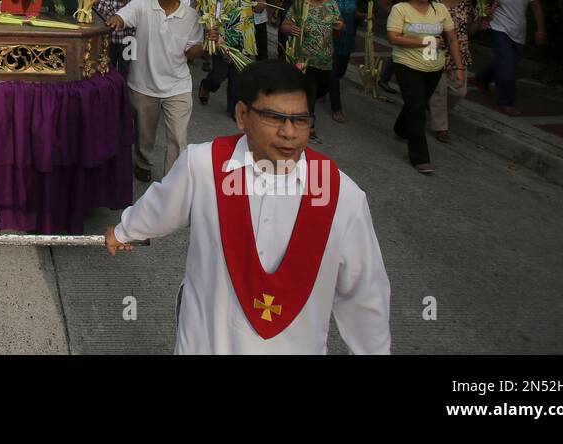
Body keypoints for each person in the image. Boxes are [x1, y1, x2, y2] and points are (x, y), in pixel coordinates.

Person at [104, 60, 391, 355]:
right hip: (206, 343)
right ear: (242, 114)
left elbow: (364, 294)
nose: (289, 132)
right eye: (274, 117)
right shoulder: (204, 166)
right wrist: (125, 231)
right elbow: (161, 207)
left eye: (300, 120)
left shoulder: (342, 195)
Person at [106, 0, 218, 183]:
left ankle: (172, 181)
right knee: (144, 136)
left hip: (178, 86)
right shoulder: (141, 6)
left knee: (178, 138)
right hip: (143, 85)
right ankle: (142, 163)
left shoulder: (191, 16)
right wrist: (116, 21)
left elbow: (191, 53)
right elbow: (122, 17)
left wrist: (206, 44)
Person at [388, 0, 466, 175]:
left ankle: (400, 128)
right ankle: (420, 158)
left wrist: (459, 67)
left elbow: (452, 38)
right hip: (407, 64)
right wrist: (425, 41)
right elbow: (393, 37)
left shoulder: (439, 8)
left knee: (418, 103)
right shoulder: (400, 9)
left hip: (434, 66)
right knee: (417, 109)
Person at [477, 0, 545, 116]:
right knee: (507, 63)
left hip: (518, 30)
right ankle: (506, 101)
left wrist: (541, 29)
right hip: (498, 28)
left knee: (508, 62)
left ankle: (483, 78)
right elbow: (482, 3)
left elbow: (536, 6)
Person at [279, 0, 342, 145]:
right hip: (304, 59)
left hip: (326, 58)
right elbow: (285, 25)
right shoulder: (300, 5)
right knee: (310, 92)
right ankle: (309, 126)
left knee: (323, 88)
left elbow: (340, 22)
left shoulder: (332, 4)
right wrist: (290, 29)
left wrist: (339, 25)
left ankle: (300, 115)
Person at [197, 0, 256, 118]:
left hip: (243, 35)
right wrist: (214, 31)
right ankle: (206, 85)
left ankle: (233, 109)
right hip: (222, 35)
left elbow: (258, 9)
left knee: (238, 76)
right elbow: (211, 9)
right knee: (219, 74)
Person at [430, 0, 481, 143]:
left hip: (459, 50)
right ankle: (441, 127)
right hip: (437, 48)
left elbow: (470, 30)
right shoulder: (432, 0)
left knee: (459, 91)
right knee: (438, 91)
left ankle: (438, 113)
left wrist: (481, 17)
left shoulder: (465, 3)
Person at [377, 0, 425, 93]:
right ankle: (388, 79)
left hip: (416, 22)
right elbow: (384, 4)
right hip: (400, 24)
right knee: (401, 50)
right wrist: (397, 16)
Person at [324, 0, 359, 124]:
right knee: (334, 71)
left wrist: (366, 16)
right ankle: (336, 107)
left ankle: (323, 89)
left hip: (348, 34)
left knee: (341, 70)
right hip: (330, 35)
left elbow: (354, 10)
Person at [93, 0, 134, 79]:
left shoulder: (133, 0)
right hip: (110, 42)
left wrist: (125, 1)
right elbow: (101, 21)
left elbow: (136, 23)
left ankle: (124, 93)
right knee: (108, 71)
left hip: (128, 42)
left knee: (125, 72)